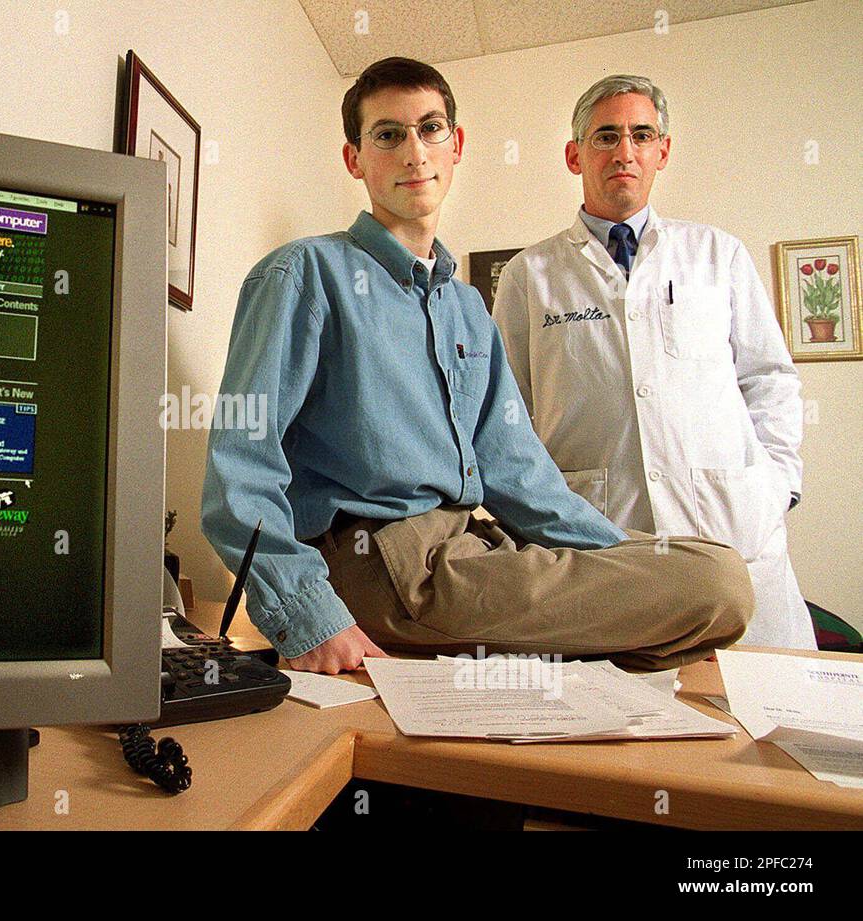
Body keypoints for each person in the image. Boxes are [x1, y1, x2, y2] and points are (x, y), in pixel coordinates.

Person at [200, 57, 753, 675]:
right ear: (355, 158)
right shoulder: (303, 274)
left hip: (469, 548)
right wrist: (309, 618)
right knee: (720, 583)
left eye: (430, 128)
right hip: (384, 569)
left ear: (455, 145)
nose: (414, 153)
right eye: (388, 135)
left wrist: (627, 560)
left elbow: (522, 478)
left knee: (702, 567)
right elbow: (240, 471)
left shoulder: (467, 309)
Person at [492, 75, 814, 649]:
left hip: (730, 523)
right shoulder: (528, 275)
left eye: (642, 135)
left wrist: (778, 485)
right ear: (574, 155)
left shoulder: (718, 255)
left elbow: (768, 379)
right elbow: (508, 416)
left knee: (763, 718)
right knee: (629, 721)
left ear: (662, 151)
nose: (624, 151)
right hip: (601, 536)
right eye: (606, 136)